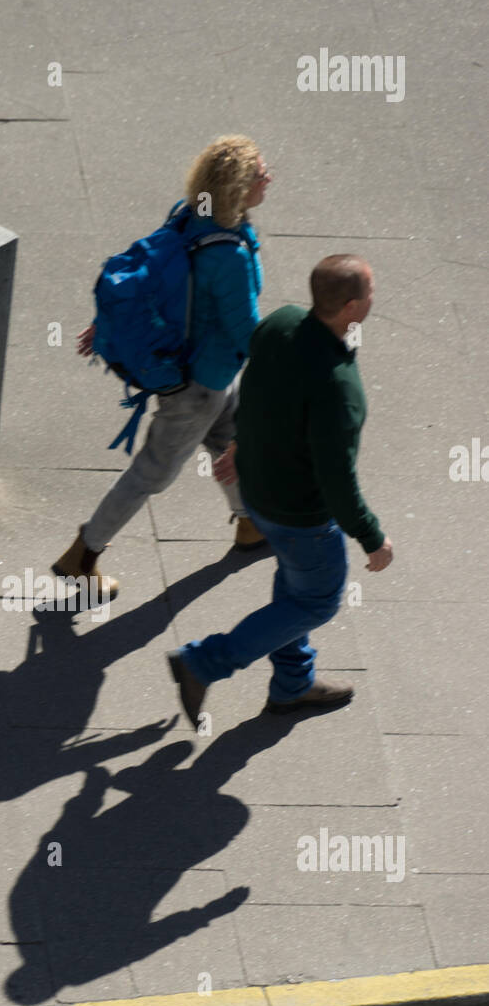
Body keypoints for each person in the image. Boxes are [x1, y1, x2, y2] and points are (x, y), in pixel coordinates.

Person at [168, 254, 393, 725]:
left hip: (258, 494)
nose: (375, 298)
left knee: (294, 594)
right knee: (316, 600)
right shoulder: (338, 385)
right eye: (370, 292)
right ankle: (202, 663)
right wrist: (371, 537)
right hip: (301, 518)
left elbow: (256, 392)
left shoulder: (281, 323)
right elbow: (336, 478)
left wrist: (238, 444)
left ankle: (292, 685)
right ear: (352, 306)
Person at [52, 135, 272, 602]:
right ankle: (82, 555)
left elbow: (155, 277)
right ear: (236, 187)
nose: (268, 178)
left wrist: (107, 323)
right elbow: (246, 332)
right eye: (259, 174)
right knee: (150, 475)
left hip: (206, 375)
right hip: (197, 387)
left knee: (230, 439)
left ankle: (250, 524)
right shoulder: (227, 256)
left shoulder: (190, 215)